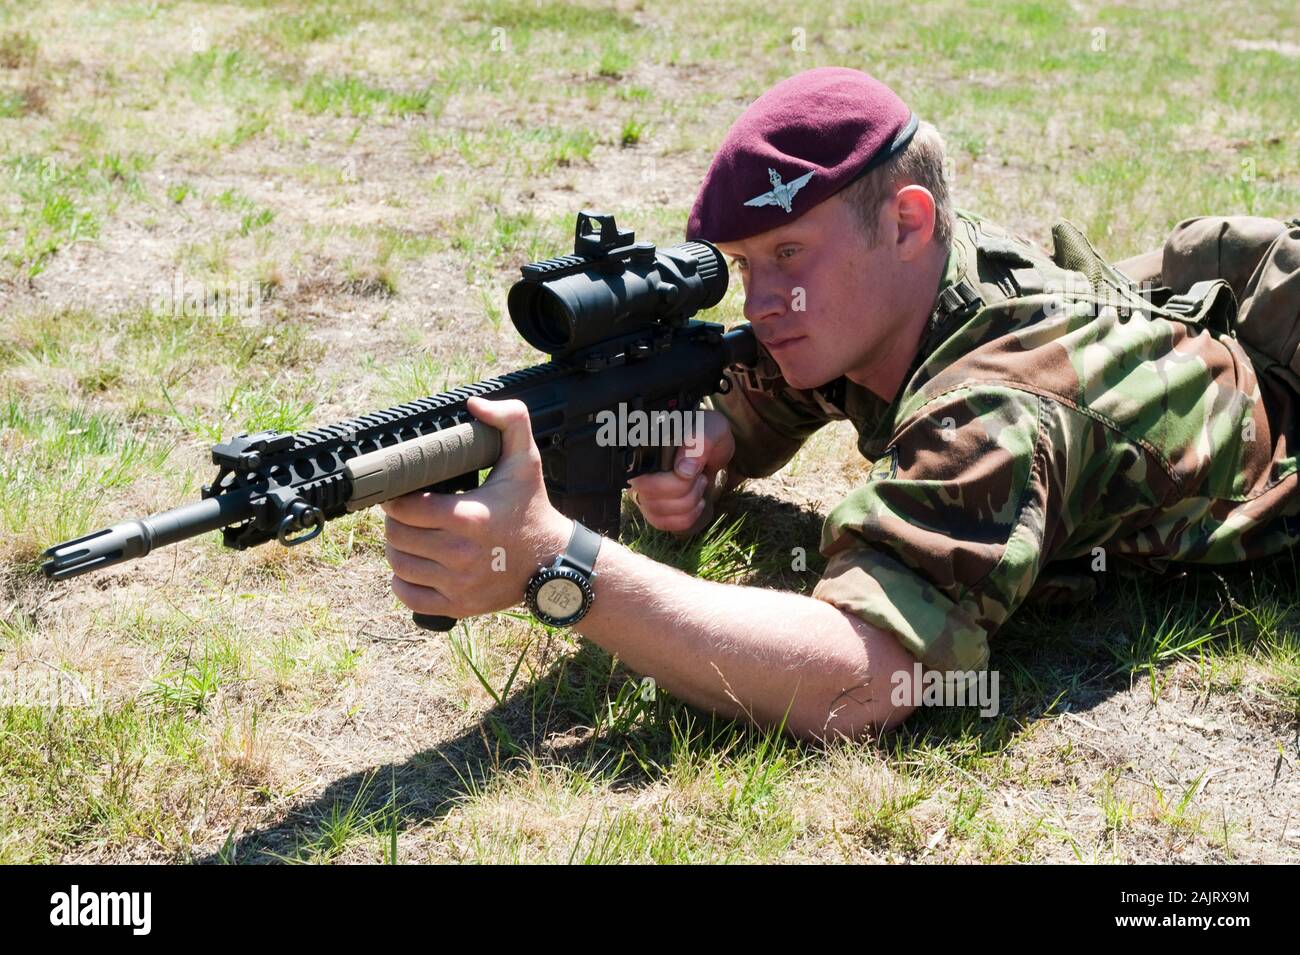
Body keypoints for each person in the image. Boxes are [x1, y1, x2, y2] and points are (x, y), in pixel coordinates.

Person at [380, 67, 1300, 741]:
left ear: (906, 220)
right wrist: (714, 435)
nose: (760, 302)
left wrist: (559, 564)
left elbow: (857, 680)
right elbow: (784, 382)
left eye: (787, 255)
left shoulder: (991, 411)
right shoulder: (908, 282)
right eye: (745, 267)